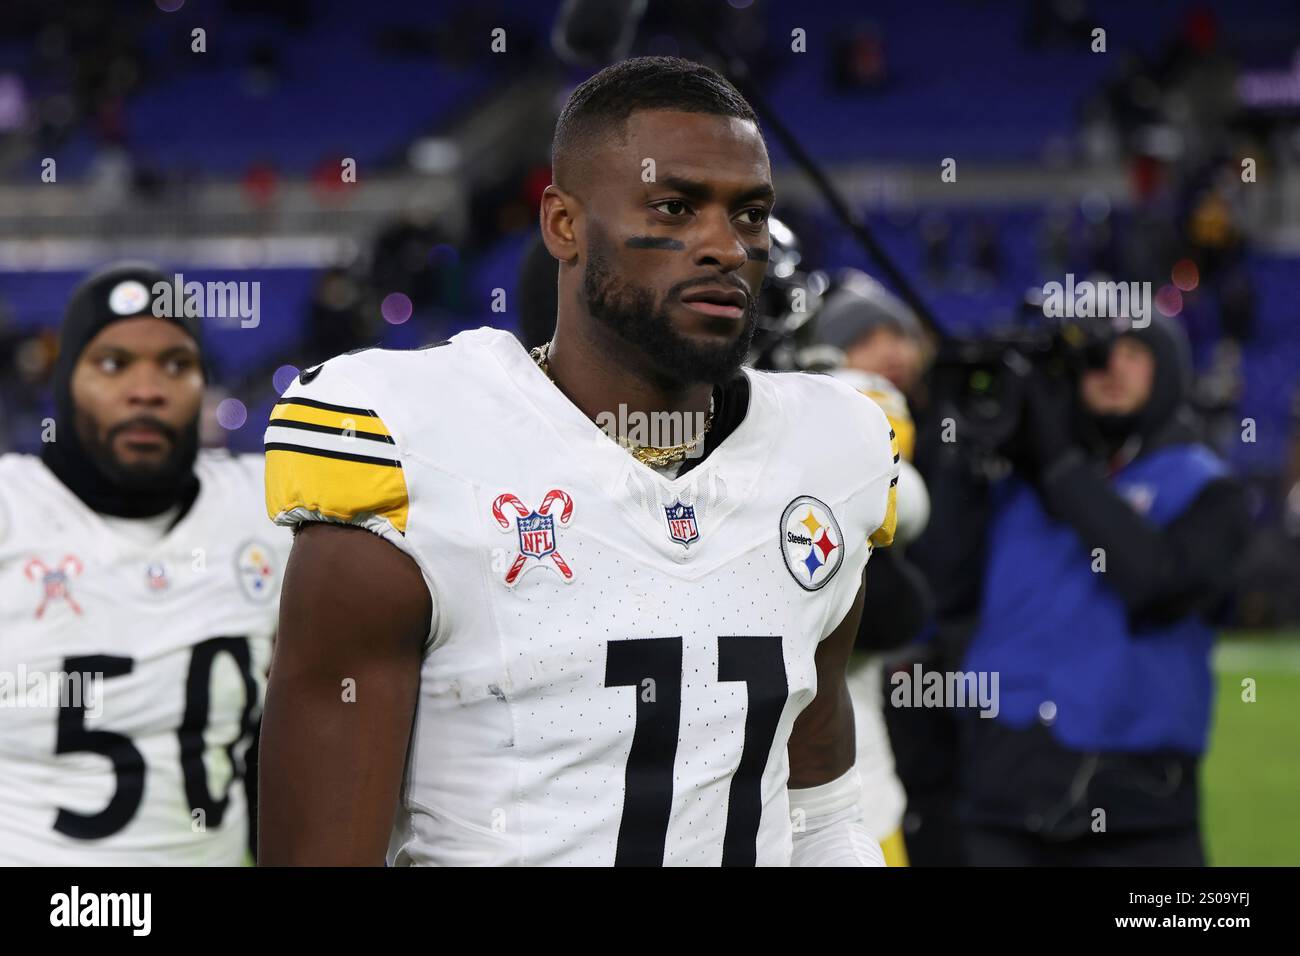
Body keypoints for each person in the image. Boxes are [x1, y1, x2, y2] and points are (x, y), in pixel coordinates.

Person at [259, 56, 899, 867]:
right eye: (674, 206)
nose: (723, 246)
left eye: (749, 215)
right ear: (563, 224)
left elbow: (819, 813)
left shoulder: (828, 451)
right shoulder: (415, 444)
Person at [0, 262, 287, 864]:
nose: (148, 389)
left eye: (176, 364)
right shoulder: (11, 512)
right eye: (113, 363)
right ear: (64, 380)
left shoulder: (266, 508)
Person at [957, 314, 1249, 865]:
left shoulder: (1207, 487)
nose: (1111, 368)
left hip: (1140, 810)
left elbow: (1159, 585)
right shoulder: (1013, 485)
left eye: (1135, 354)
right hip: (1003, 795)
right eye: (1095, 357)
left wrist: (1063, 466)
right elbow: (941, 586)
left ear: (1168, 373)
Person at [816, 271, 933, 866]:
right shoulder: (843, 406)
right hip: (834, 783)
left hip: (849, 766)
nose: (890, 349)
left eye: (900, 333)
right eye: (869, 335)